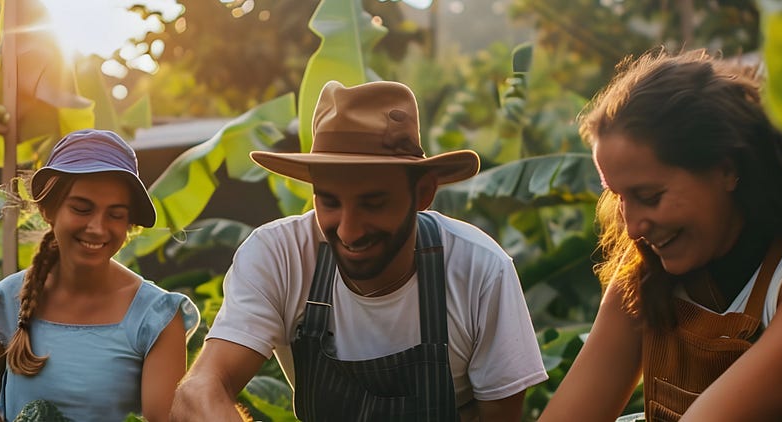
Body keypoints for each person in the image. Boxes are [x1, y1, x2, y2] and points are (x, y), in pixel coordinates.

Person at [538, 49, 782, 421]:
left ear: (727, 168)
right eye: (620, 198)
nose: (633, 225)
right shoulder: (650, 268)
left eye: (650, 197)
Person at [171, 81, 547, 421]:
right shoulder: (279, 256)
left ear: (423, 194)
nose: (348, 231)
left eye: (373, 203)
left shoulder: (479, 269)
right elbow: (199, 390)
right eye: (330, 202)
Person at [0, 129, 199, 422]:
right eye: (81, 208)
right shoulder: (1, 303)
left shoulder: (157, 316)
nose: (97, 227)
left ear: (129, 223)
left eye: (116, 215)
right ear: (48, 210)